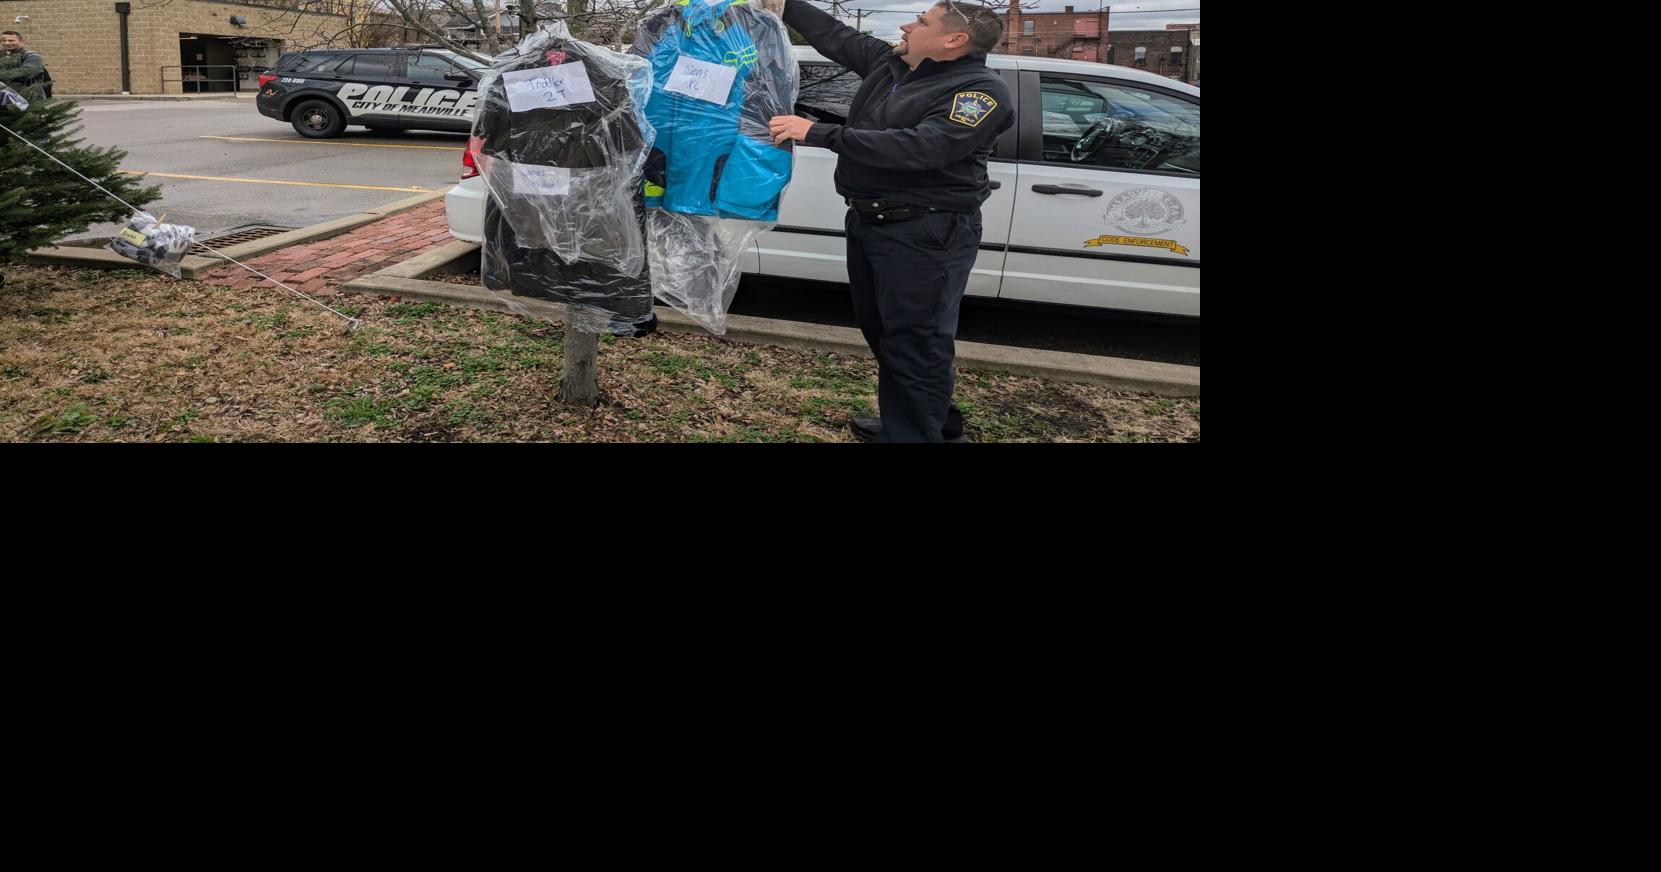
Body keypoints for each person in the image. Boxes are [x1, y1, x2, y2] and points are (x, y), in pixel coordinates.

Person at [768, 0, 1011, 443]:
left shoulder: (979, 92)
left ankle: (914, 434)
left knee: (915, 339)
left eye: (921, 22)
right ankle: (930, 424)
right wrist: (786, 4)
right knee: (887, 332)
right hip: (872, 222)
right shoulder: (892, 63)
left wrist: (818, 133)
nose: (906, 24)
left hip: (925, 231)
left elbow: (924, 147)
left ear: (953, 40)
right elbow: (837, 36)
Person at [0, 31, 50, 99]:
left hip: (28, 100)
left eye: (11, 40)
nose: (7, 43)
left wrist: (2, 75)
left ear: (21, 41)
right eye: (4, 41)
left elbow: (25, 73)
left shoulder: (32, 56)